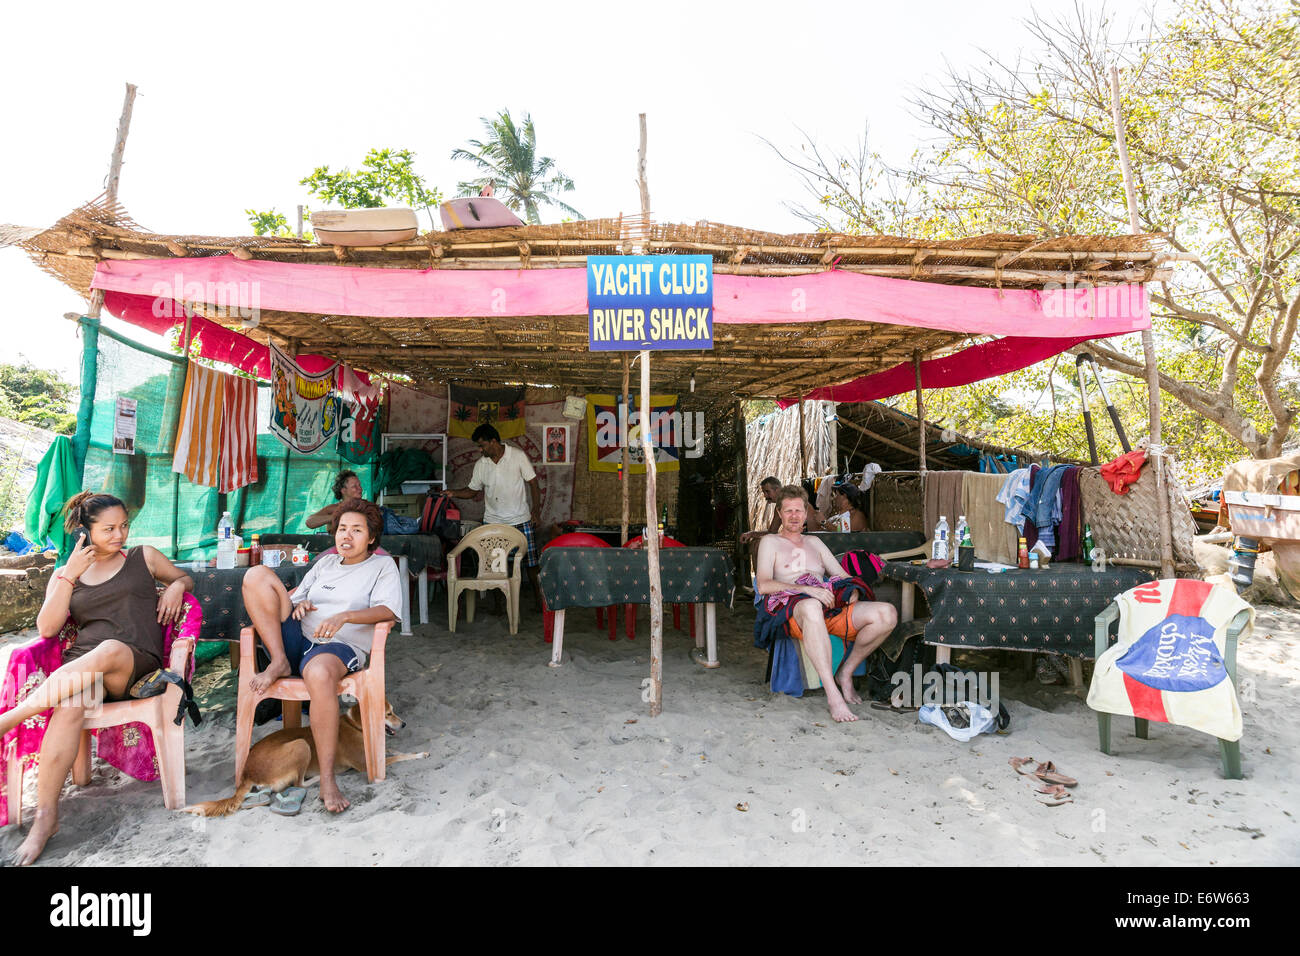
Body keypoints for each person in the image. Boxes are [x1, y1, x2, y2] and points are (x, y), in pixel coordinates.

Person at [2, 492, 194, 864]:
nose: (119, 534)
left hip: (133, 665)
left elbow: (186, 578)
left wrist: (176, 585)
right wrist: (69, 576)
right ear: (86, 531)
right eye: (108, 529)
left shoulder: (144, 557)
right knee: (70, 705)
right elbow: (46, 627)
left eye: (124, 526)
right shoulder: (68, 572)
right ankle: (45, 818)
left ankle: (11, 718)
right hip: (82, 668)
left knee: (109, 648)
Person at [241, 498, 402, 812]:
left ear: (371, 538)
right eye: (342, 529)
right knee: (255, 576)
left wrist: (345, 616)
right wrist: (298, 604)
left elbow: (388, 611)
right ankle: (279, 660)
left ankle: (327, 780)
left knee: (319, 674)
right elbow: (294, 597)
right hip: (298, 637)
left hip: (337, 646)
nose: (346, 536)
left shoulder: (382, 566)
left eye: (356, 530)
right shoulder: (325, 563)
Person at [755, 485, 896, 723]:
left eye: (798, 510)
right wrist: (806, 589)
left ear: (805, 512)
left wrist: (850, 591)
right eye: (788, 511)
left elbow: (841, 576)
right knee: (810, 606)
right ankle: (833, 696)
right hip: (796, 611)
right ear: (779, 513)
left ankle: (846, 672)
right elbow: (764, 585)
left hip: (828, 608)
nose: (794, 516)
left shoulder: (815, 543)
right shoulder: (770, 542)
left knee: (887, 614)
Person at [446, 424, 544, 607]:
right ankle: (499, 606)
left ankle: (539, 601)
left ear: (494, 441)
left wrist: (535, 511)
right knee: (495, 567)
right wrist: (453, 493)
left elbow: (533, 484)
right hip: (493, 522)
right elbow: (472, 491)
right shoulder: (481, 465)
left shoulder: (517, 456)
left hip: (520, 519)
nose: (480, 449)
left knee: (531, 563)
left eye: (482, 445)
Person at [742, 476, 825, 571]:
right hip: (801, 538)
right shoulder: (784, 503)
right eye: (764, 492)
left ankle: (763, 580)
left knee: (759, 545)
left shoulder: (788, 502)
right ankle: (763, 579)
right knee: (756, 543)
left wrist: (752, 534)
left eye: (767, 492)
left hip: (806, 539)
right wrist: (751, 534)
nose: (765, 496)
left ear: (777, 490)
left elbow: (773, 533)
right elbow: (772, 531)